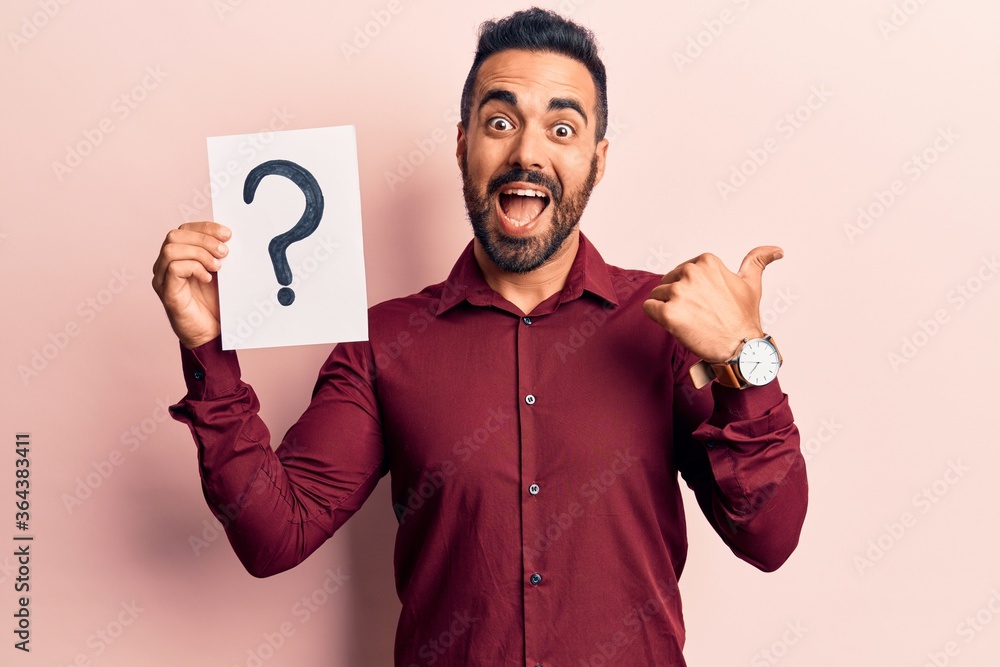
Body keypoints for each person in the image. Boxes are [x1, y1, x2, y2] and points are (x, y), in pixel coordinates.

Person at [151, 8, 807, 666]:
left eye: (561, 127)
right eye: (500, 123)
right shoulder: (382, 342)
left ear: (597, 160)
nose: (527, 152)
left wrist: (744, 358)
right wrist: (210, 350)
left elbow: (769, 538)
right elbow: (274, 534)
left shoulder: (667, 324)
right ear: (463, 145)